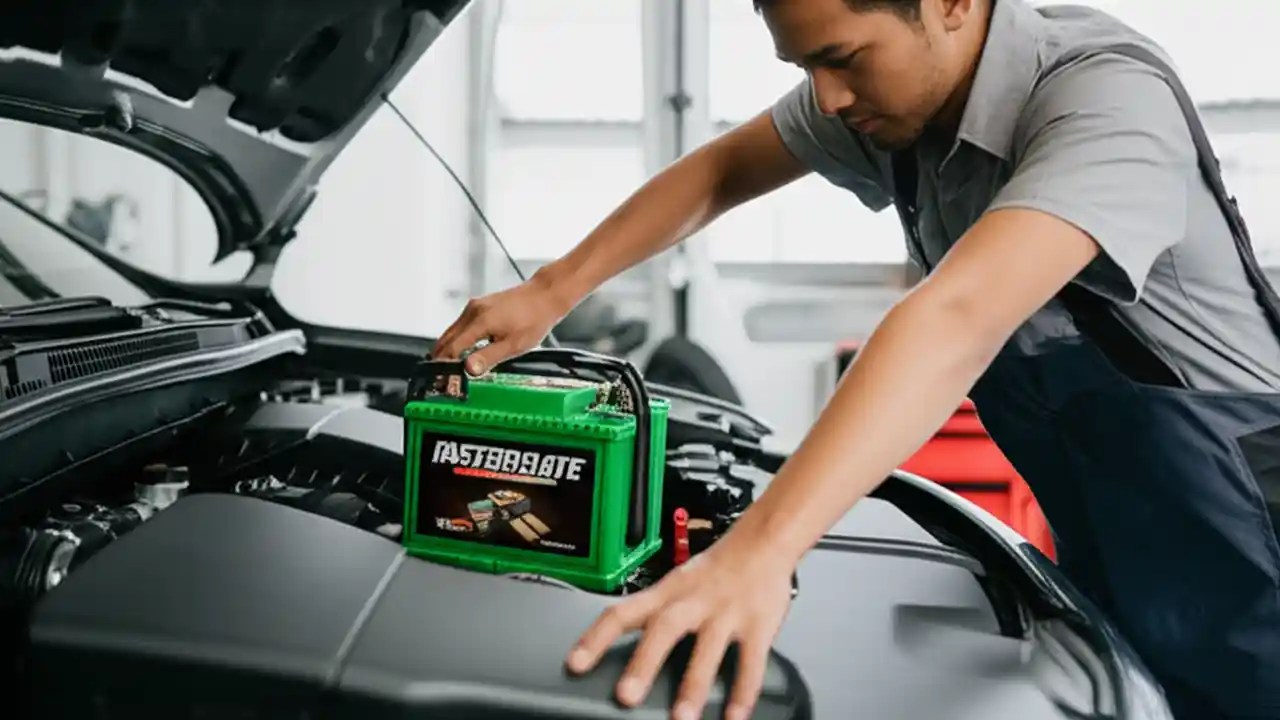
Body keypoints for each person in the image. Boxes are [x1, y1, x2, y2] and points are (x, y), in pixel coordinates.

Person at [431, 0, 1280, 717]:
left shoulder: (1105, 97)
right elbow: (722, 170)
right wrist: (551, 290)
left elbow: (959, 316)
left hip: (1249, 509)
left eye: (841, 60)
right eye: (805, 67)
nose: (826, 100)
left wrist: (762, 550)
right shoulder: (899, 99)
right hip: (1117, 511)